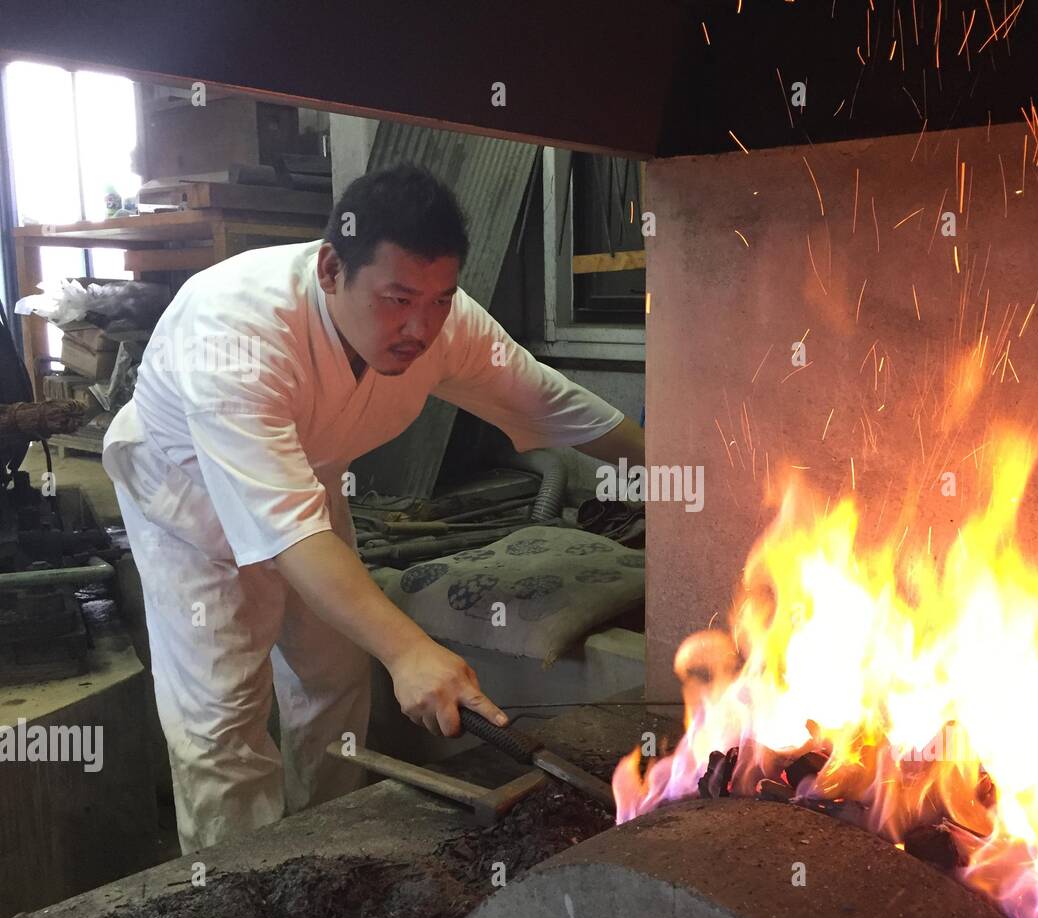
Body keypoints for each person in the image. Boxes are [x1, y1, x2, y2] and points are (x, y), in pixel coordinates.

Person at [102, 164, 646, 853]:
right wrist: (412, 651)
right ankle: (240, 898)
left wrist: (672, 463)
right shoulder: (234, 335)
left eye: (440, 299)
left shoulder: (441, 322)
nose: (420, 326)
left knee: (334, 681)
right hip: (188, 503)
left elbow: (547, 399)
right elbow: (288, 530)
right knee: (223, 721)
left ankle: (326, 853)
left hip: (309, 486)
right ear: (331, 269)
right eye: (397, 299)